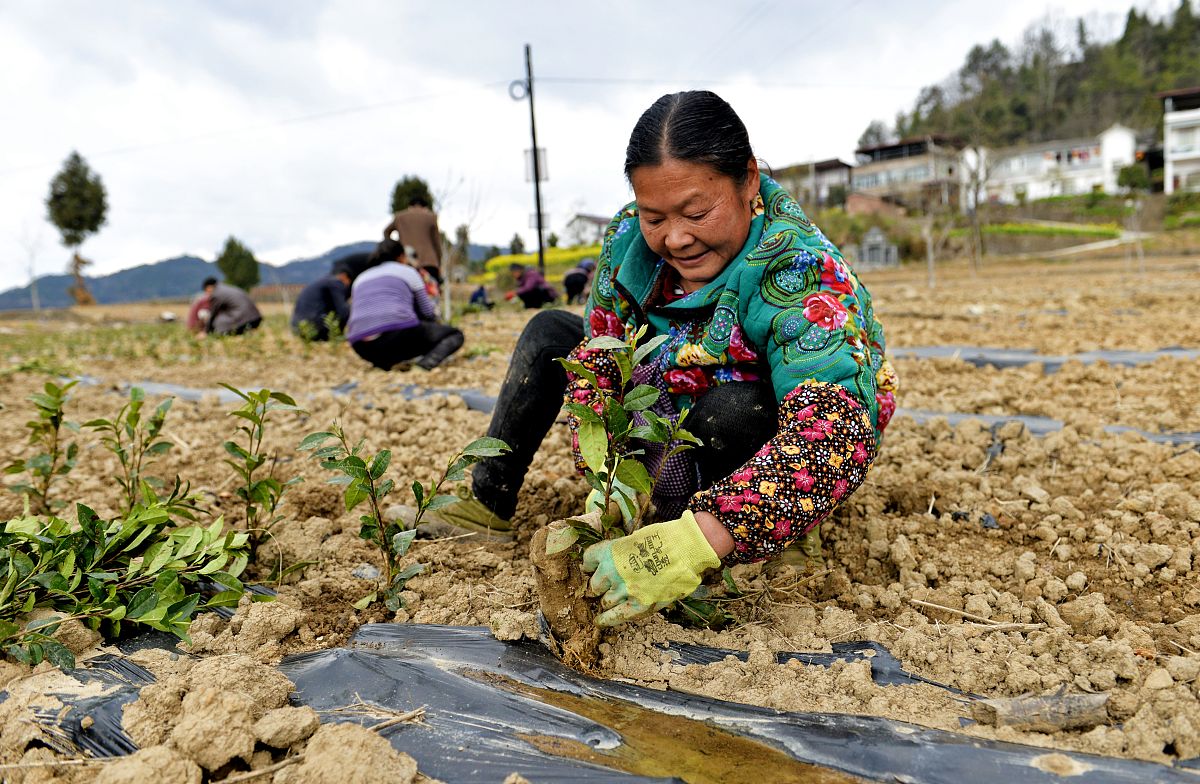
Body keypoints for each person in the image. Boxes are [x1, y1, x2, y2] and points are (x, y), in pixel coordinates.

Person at [409, 91, 897, 628]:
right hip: (665, 392)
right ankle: (489, 502)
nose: (676, 238)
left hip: (755, 425)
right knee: (551, 333)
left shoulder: (799, 271)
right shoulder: (625, 239)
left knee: (736, 407)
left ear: (749, 180)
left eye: (697, 212)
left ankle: (766, 526)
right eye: (654, 216)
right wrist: (604, 477)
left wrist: (692, 543)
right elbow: (600, 358)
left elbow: (836, 429)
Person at [346, 239, 463, 371]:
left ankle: (387, 364)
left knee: (397, 331)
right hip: (397, 336)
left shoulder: (360, 278)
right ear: (401, 256)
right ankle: (424, 366)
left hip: (361, 345)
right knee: (454, 335)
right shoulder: (407, 272)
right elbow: (427, 311)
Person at [383, 194, 444, 284]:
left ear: (409, 206)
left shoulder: (399, 217)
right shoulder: (431, 217)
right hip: (429, 262)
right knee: (431, 293)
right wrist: (439, 262)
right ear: (425, 207)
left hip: (407, 262)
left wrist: (396, 248)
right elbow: (437, 243)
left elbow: (386, 232)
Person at [291, 262, 353, 341]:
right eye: (349, 282)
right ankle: (337, 337)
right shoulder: (336, 283)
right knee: (345, 309)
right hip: (317, 329)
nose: (347, 286)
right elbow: (344, 311)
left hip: (298, 329)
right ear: (344, 276)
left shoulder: (321, 282)